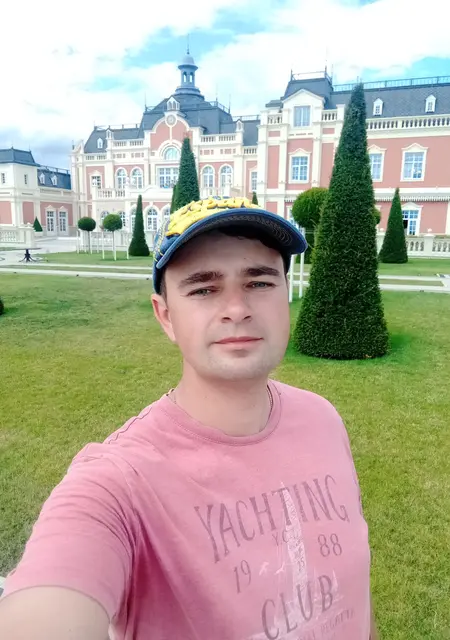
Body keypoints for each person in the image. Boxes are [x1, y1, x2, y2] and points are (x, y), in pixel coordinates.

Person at [0, 196, 378, 640]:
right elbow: (51, 602)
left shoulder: (323, 420)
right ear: (166, 317)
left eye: (259, 282)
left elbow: (353, 603)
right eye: (203, 289)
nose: (237, 308)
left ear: (286, 294)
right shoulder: (120, 482)